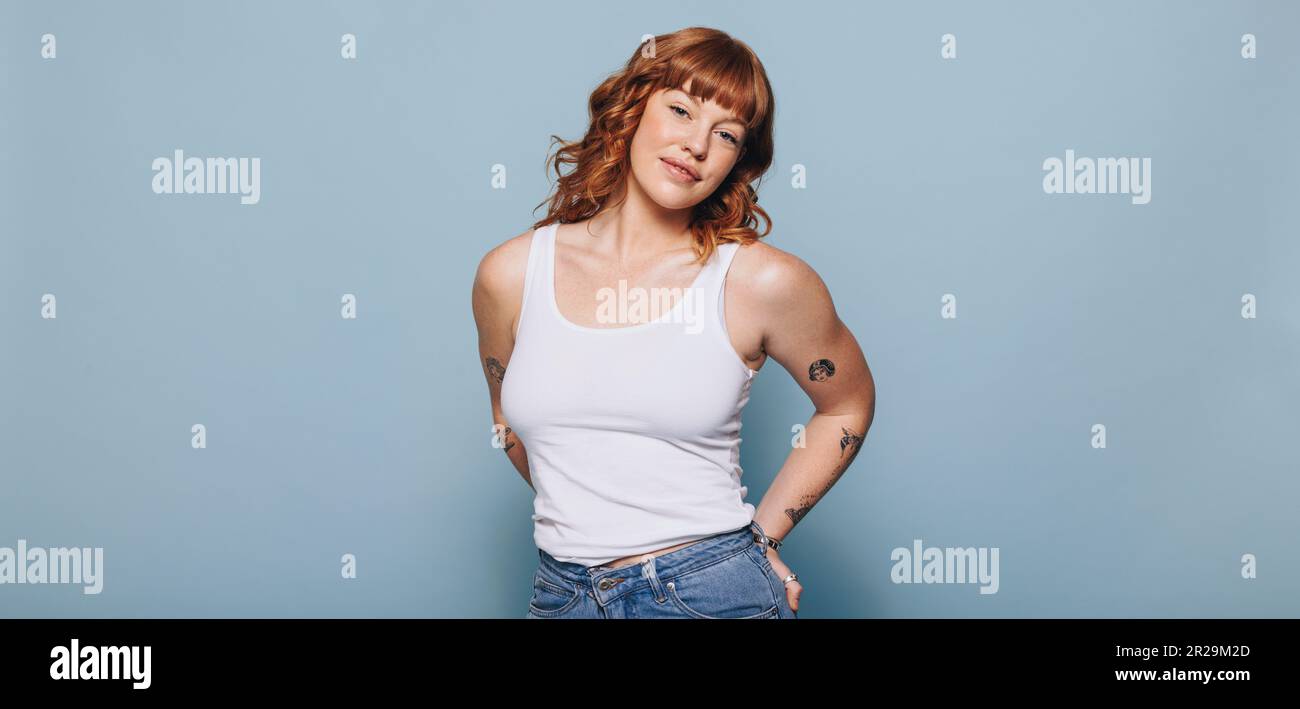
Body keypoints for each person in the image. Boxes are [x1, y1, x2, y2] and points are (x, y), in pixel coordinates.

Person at [471, 27, 875, 618]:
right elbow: (506, 418)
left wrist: (762, 539)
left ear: (739, 158)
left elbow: (847, 404)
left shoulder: (761, 282)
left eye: (727, 134)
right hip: (562, 596)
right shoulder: (509, 274)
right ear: (633, 109)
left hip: (708, 593)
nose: (696, 145)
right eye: (681, 109)